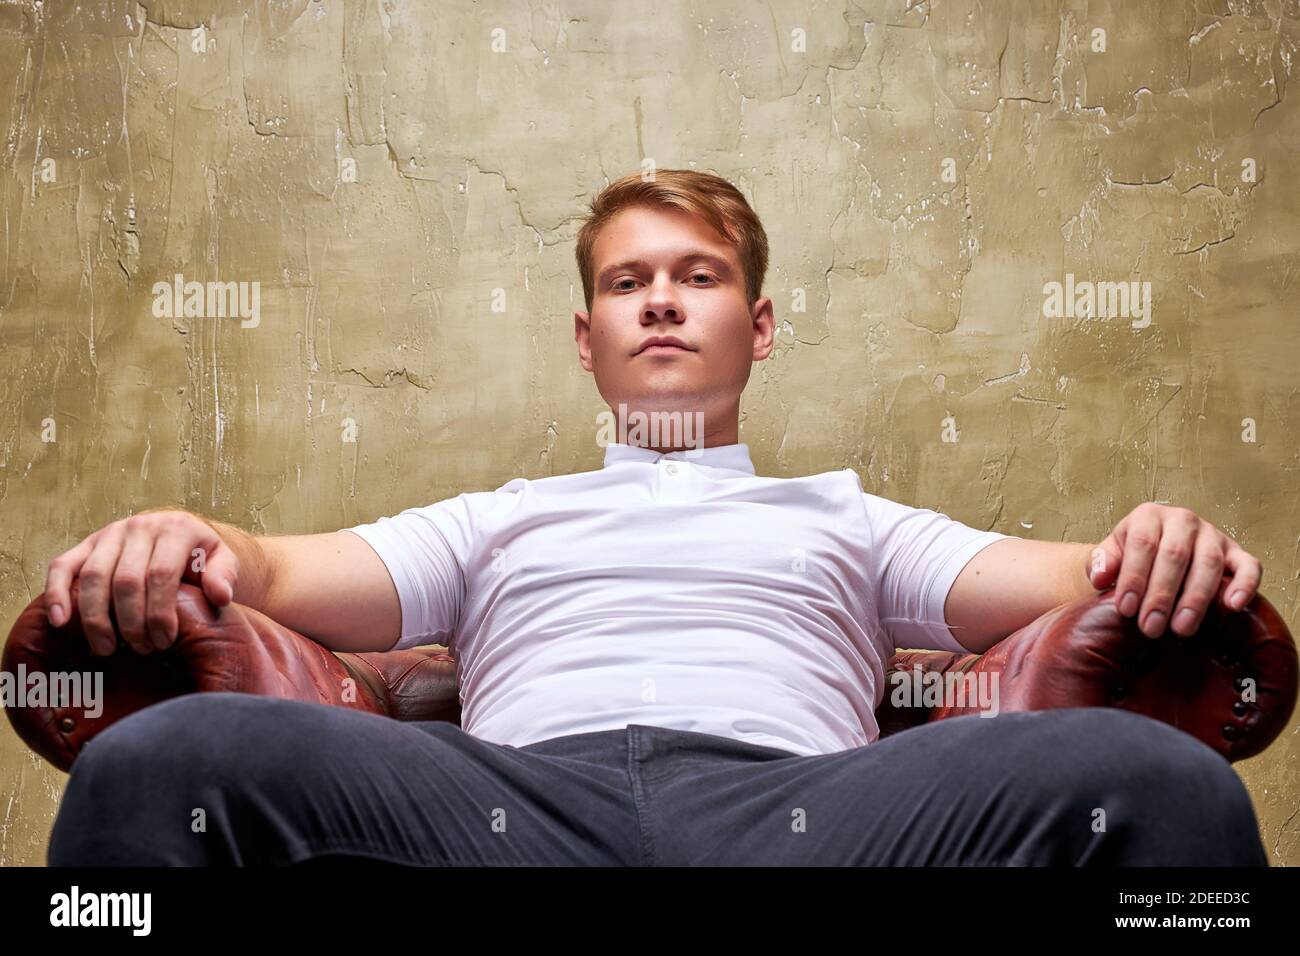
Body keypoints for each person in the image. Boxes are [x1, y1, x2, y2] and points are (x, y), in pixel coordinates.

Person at [42, 170, 1268, 866]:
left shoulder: (849, 518)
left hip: (800, 812)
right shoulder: (499, 519)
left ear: (760, 323)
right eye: (628, 283)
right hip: (513, 809)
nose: (663, 303)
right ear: (589, 339)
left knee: (1162, 784)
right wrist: (184, 531)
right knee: (155, 761)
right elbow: (268, 568)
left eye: (699, 275)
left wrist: (1154, 538)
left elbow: (1079, 575)